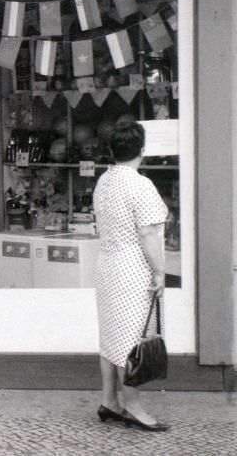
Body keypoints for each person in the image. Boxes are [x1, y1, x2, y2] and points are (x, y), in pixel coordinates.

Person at [92, 120, 169, 431]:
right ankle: (133, 407)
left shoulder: (104, 181)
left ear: (111, 150)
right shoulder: (140, 184)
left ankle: (109, 400)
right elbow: (148, 232)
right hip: (133, 268)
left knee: (110, 336)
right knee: (131, 341)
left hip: (107, 265)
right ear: (142, 150)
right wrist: (160, 271)